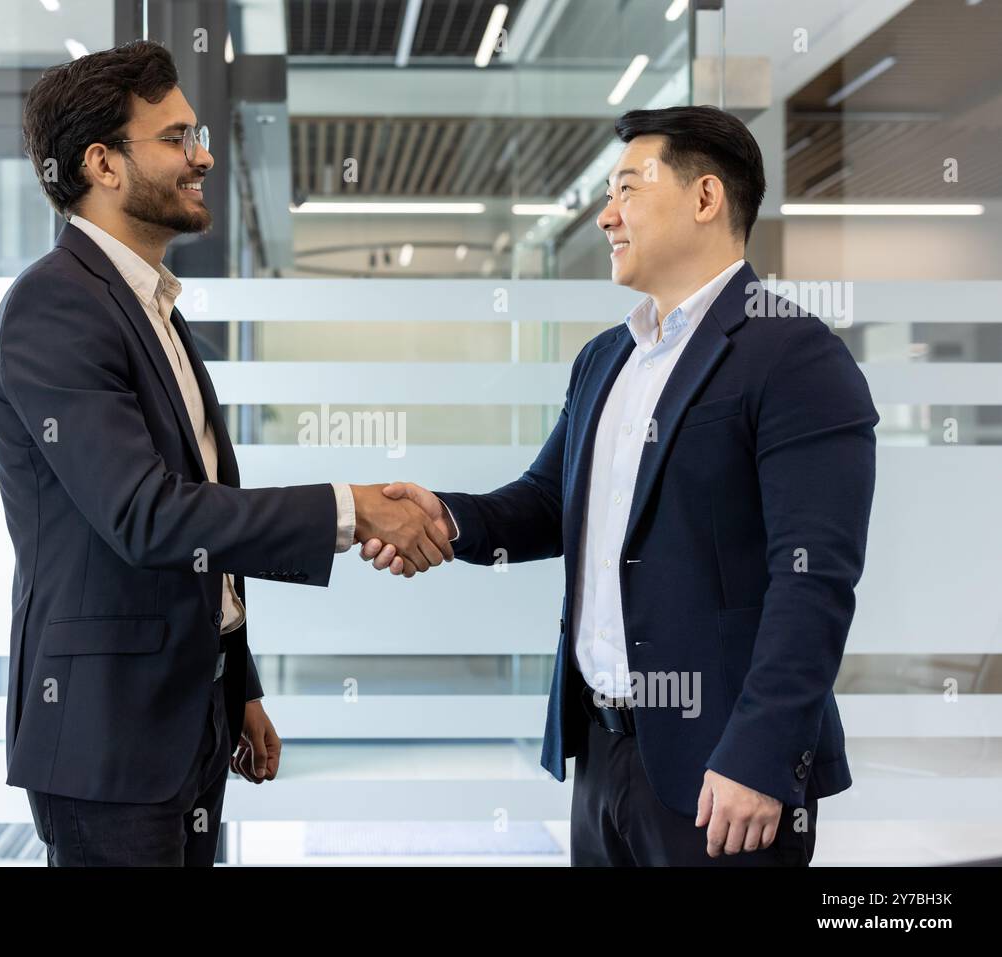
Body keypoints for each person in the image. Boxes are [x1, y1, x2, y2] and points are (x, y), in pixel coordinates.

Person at [361, 105, 877, 866]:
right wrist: (443, 517)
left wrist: (760, 755)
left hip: (723, 773)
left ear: (706, 199)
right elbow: (545, 503)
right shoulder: (608, 357)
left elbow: (815, 583)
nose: (605, 216)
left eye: (628, 189)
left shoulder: (793, 354)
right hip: (604, 756)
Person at [0, 41, 452, 866]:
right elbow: (147, 514)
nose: (201, 157)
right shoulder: (53, 306)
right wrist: (351, 508)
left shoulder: (152, 305)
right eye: (176, 139)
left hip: (186, 712)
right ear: (103, 164)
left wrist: (239, 685)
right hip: (108, 736)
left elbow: (196, 524)